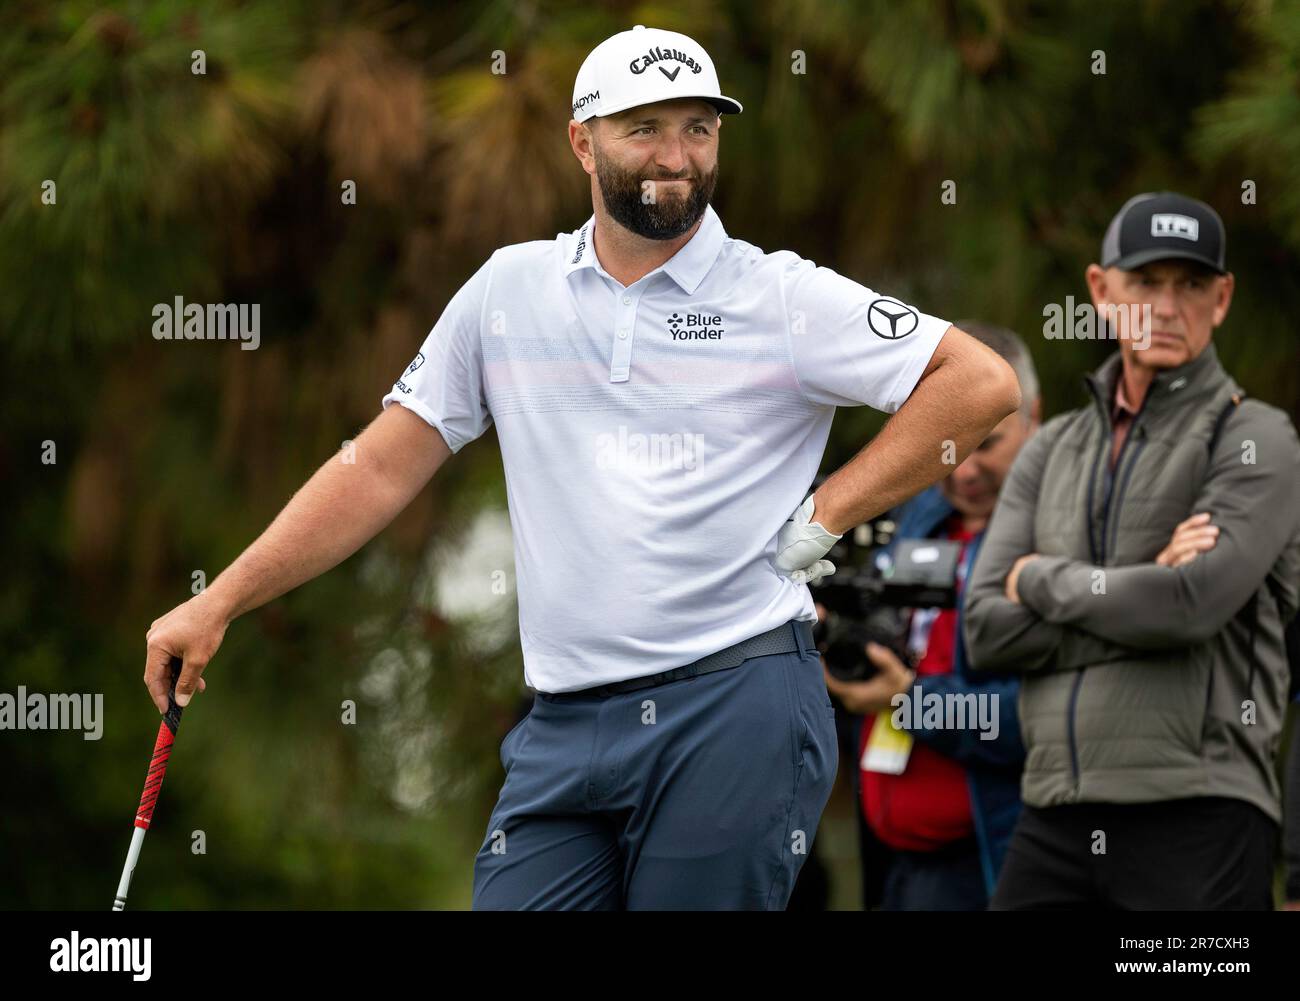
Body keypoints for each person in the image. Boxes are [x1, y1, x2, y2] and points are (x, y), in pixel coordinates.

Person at [142, 24, 1020, 910]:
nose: (675, 156)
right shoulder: (507, 290)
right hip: (562, 723)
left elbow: (978, 383)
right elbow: (376, 467)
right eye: (644, 129)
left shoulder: (781, 296)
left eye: (698, 129)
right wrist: (222, 598)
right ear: (581, 141)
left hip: (734, 700)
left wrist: (830, 510)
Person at [964, 191, 1300, 909]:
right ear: (1099, 290)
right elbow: (985, 631)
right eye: (1146, 282)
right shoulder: (1048, 447)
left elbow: (1186, 609)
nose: (1169, 306)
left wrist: (1041, 580)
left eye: (1192, 285)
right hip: (1052, 807)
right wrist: (1138, 588)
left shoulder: (1257, 438)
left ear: (1223, 297)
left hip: (1199, 809)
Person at [825, 321, 1037, 910]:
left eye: (987, 443)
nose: (964, 469)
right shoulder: (910, 520)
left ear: (1034, 417)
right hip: (889, 855)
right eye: (949, 443)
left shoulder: (1056, 542)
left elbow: (1043, 718)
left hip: (990, 861)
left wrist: (911, 702)